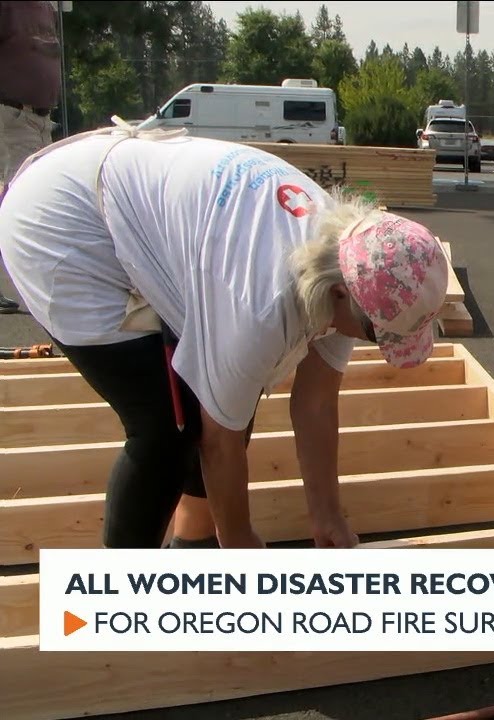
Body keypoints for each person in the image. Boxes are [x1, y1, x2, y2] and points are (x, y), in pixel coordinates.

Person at [0, 120, 450, 550]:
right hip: (63, 220)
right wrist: (238, 541)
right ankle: (124, 593)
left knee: (224, 395)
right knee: (165, 429)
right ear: (337, 294)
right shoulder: (261, 303)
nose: (374, 340)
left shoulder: (356, 261)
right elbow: (219, 441)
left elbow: (315, 402)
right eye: (376, 334)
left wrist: (326, 514)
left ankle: (192, 544)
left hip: (146, 209)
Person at [0, 0, 61, 314]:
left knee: (32, 200)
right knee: (21, 200)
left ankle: (43, 283)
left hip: (39, 120)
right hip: (12, 116)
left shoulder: (46, 8)